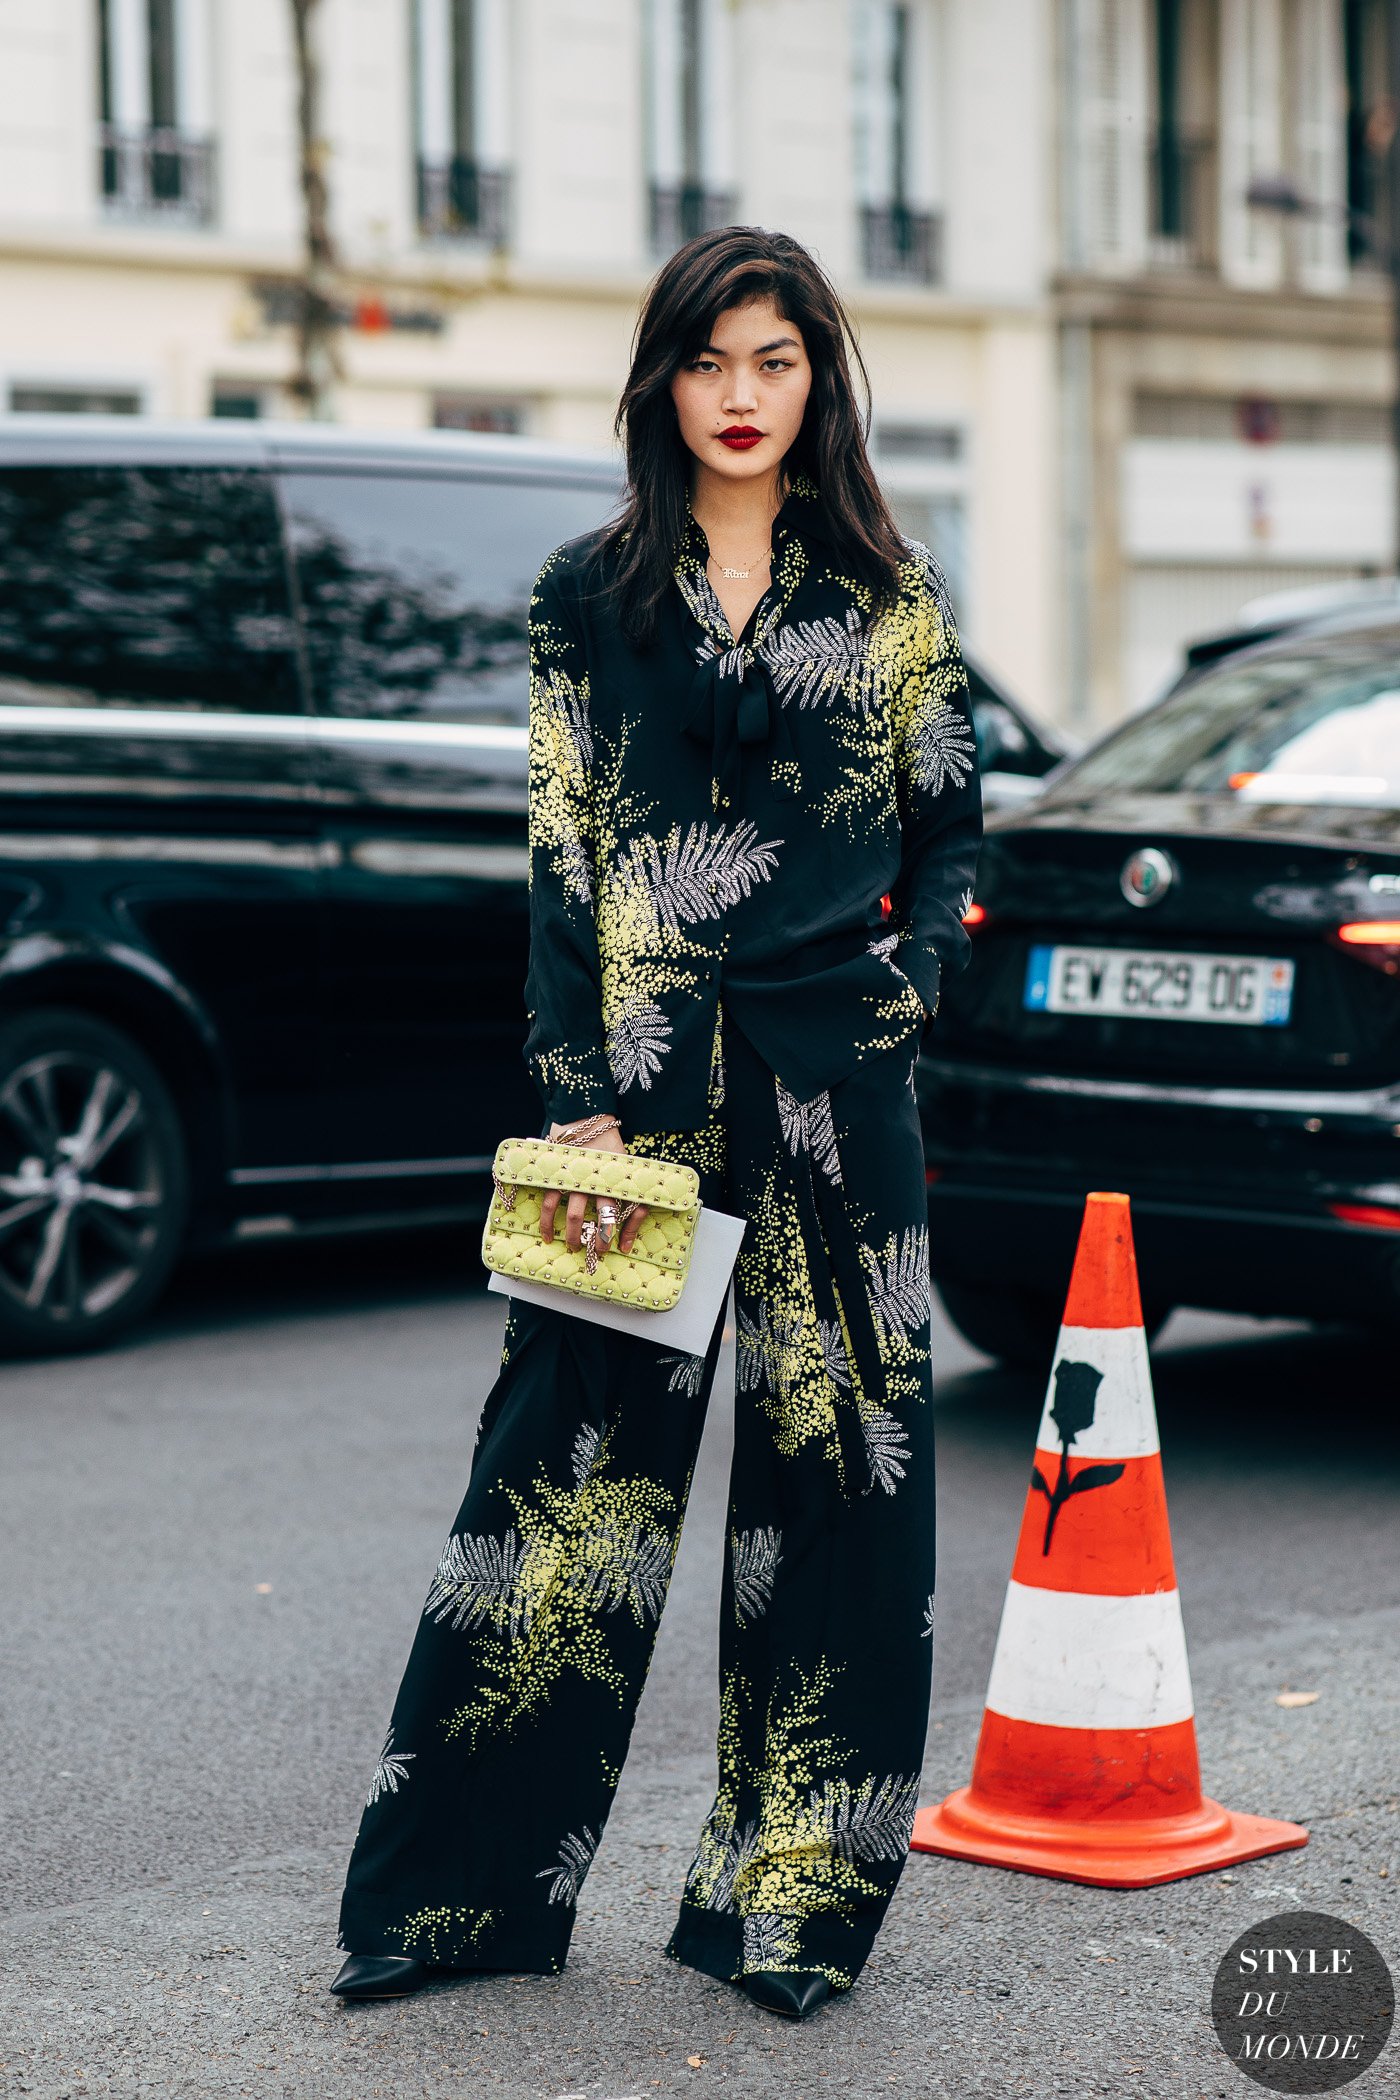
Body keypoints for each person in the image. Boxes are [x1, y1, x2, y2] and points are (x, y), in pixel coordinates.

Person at [330, 225, 982, 2021]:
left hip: (841, 1097)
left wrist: (908, 986)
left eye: (777, 360)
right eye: (710, 361)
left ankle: (790, 1907)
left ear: (817, 380)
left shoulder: (893, 596)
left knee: (842, 1496)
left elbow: (949, 826)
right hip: (639, 1106)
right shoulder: (583, 594)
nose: (742, 395)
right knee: (558, 1492)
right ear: (662, 383)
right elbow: (563, 862)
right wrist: (577, 1097)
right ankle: (453, 1902)